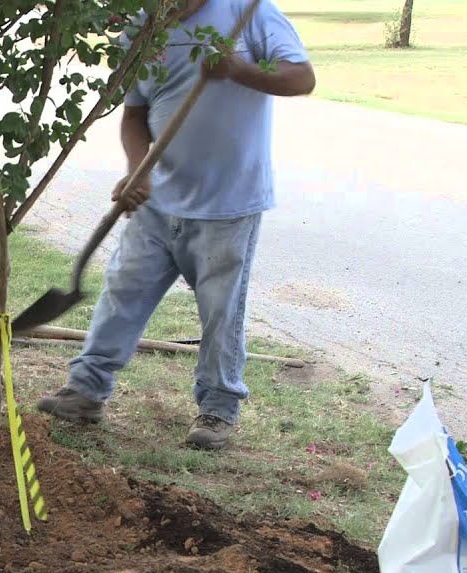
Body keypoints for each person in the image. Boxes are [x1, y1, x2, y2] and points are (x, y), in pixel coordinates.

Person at [36, 0, 315, 450]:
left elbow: (303, 78)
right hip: (159, 201)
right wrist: (138, 169)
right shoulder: (141, 27)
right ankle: (85, 391)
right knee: (122, 290)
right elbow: (134, 114)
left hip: (229, 203)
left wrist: (239, 70)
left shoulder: (248, 12)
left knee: (221, 313)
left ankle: (219, 409)